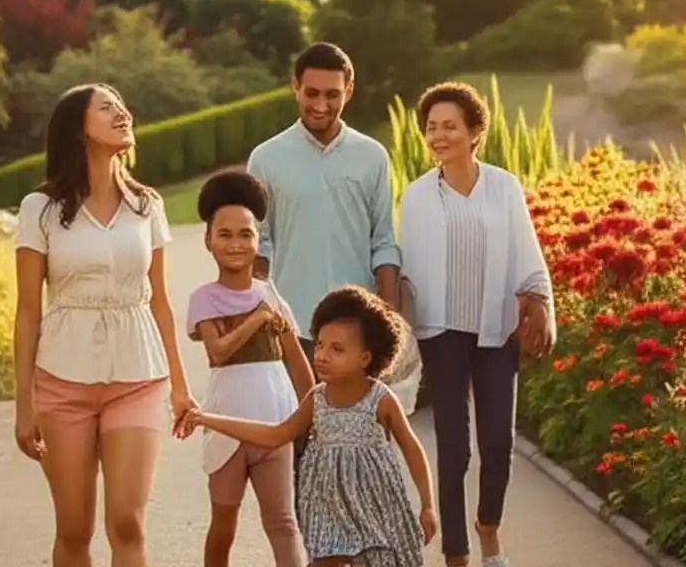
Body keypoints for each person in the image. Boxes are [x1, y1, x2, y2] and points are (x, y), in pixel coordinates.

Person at [13, 83, 197, 567]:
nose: (122, 113)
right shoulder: (40, 209)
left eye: (122, 106)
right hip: (61, 381)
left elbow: (160, 300)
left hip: (138, 378)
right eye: (107, 107)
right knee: (74, 529)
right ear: (78, 129)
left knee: (128, 523)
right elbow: (28, 311)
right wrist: (24, 403)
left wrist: (180, 386)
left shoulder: (147, 205)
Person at [397, 82, 556, 567]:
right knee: (454, 447)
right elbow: (410, 270)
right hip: (441, 332)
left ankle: (488, 526)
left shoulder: (504, 187)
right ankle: (457, 553)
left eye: (450, 126)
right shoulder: (417, 197)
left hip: (495, 329)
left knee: (498, 442)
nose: (438, 136)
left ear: (474, 132)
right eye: (431, 128)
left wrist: (541, 302)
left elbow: (527, 253)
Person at [183, 285, 437, 567]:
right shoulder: (316, 400)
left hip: (374, 511)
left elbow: (412, 448)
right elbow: (275, 434)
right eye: (319, 345)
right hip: (327, 514)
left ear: (365, 358)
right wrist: (206, 418)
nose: (322, 355)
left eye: (337, 349)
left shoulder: (380, 400)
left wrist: (428, 504)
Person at [185, 169, 314, 567]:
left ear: (258, 240)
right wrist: (257, 319)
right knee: (224, 523)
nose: (236, 244)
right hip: (227, 426)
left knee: (283, 522)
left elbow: (297, 361)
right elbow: (219, 351)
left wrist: (312, 412)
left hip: (276, 424)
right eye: (224, 235)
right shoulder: (204, 299)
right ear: (208, 240)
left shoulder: (271, 294)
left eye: (245, 234)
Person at [246, 41, 401, 365]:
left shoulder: (372, 156)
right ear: (295, 87)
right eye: (311, 93)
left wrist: (389, 319)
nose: (320, 105)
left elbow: (384, 243)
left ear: (349, 91)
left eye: (332, 95)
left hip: (357, 328)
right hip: (290, 328)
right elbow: (258, 245)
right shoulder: (265, 159)